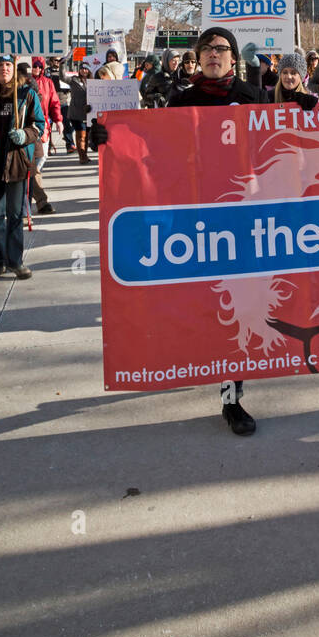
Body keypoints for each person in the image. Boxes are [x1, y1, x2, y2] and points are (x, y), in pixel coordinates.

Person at [90, 28, 261, 436]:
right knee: (209, 304)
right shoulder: (182, 99)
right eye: (206, 49)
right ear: (198, 58)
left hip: (244, 218)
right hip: (198, 218)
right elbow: (152, 148)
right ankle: (221, 387)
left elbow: (284, 140)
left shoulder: (254, 97)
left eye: (221, 49)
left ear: (233, 58)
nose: (213, 55)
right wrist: (109, 138)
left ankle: (232, 394)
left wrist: (307, 104)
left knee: (237, 307)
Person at [0, 58, 45, 280]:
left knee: (15, 215)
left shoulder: (26, 93)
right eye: (0, 66)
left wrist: (25, 135)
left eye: (8, 65)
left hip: (16, 161)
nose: (4, 69)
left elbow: (39, 125)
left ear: (14, 69)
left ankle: (15, 261)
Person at [28, 56, 62, 213]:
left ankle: (31, 195)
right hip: (26, 129)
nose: (36, 69)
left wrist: (59, 120)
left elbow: (54, 102)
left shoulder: (47, 83)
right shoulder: (22, 82)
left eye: (38, 66)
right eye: (33, 66)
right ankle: (40, 201)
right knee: (32, 168)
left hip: (43, 129)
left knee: (39, 162)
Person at [49, 59, 76, 152]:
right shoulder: (47, 72)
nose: (57, 62)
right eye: (55, 60)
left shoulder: (66, 73)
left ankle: (70, 144)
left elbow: (70, 86)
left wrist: (69, 89)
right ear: (51, 61)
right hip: (50, 103)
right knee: (48, 126)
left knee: (67, 124)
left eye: (59, 60)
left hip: (62, 102)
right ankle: (48, 147)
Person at [69, 60, 93, 163]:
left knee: (86, 136)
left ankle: (85, 155)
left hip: (88, 113)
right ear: (79, 70)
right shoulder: (74, 80)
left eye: (86, 68)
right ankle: (81, 157)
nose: (84, 70)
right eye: (82, 68)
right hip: (76, 112)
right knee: (81, 135)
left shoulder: (93, 81)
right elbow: (62, 77)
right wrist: (62, 64)